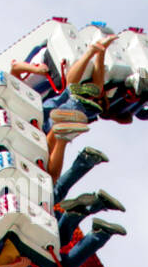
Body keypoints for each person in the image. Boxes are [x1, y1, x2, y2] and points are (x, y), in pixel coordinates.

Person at [12, 32, 117, 181]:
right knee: (88, 91)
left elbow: (14, 67)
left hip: (40, 114)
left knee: (52, 174)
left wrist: (35, 69)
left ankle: (65, 128)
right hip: (43, 109)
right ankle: (98, 51)